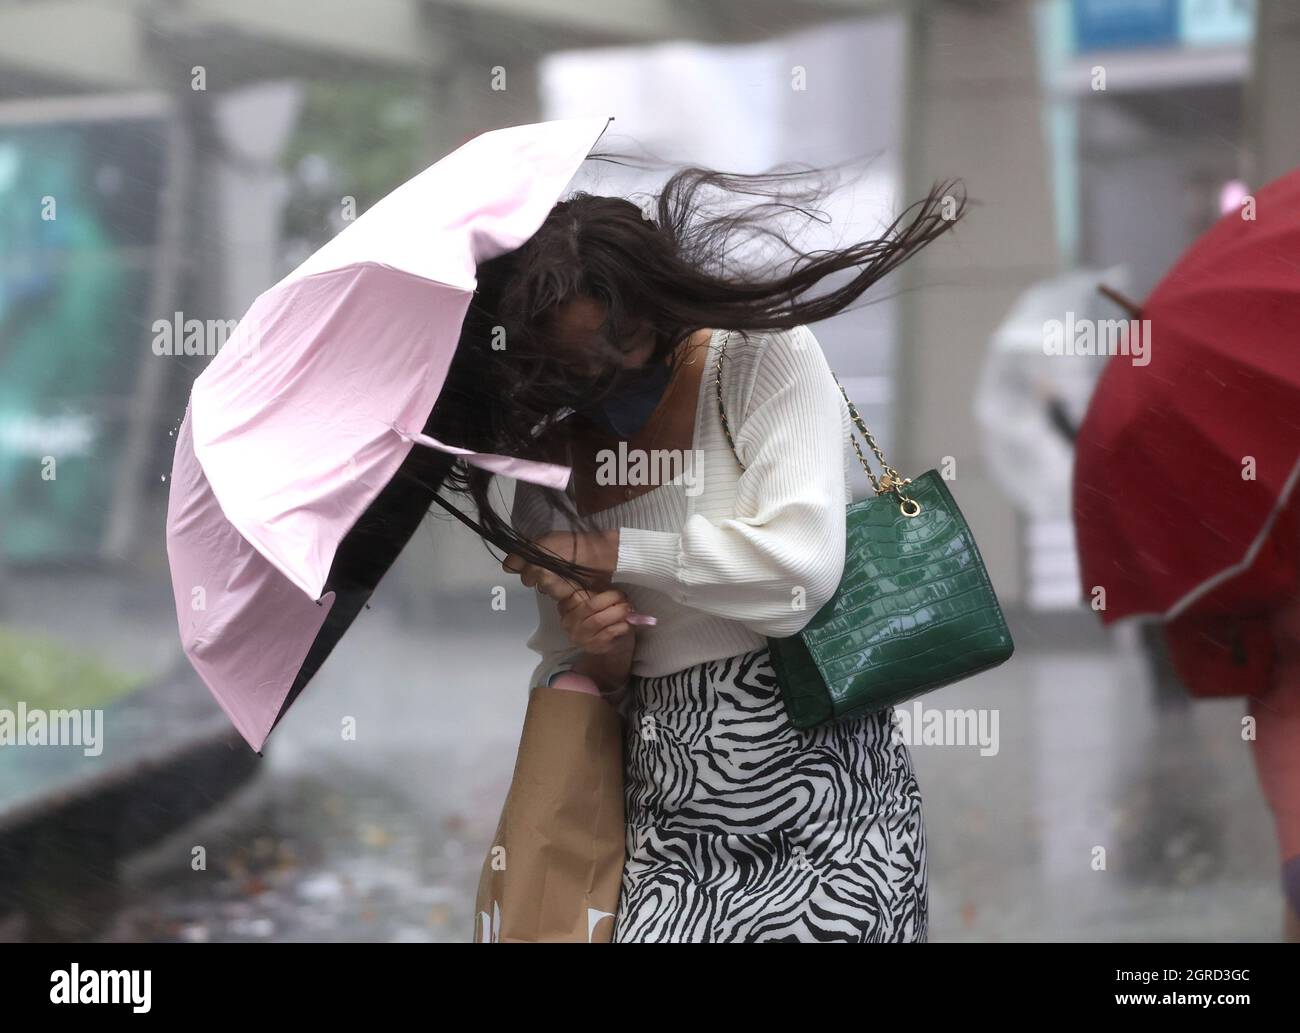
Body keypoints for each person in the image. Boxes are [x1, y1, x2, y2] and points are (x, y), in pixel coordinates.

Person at [432, 159, 965, 942]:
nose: (616, 366)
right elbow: (587, 667)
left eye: (629, 336)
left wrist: (607, 551)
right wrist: (599, 646)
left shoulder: (758, 357)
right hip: (669, 812)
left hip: (824, 797)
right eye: (579, 361)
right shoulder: (548, 445)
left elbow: (796, 576)